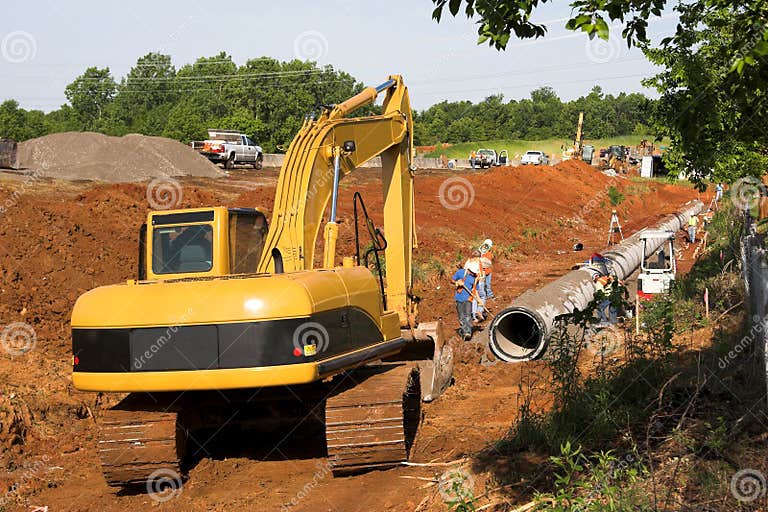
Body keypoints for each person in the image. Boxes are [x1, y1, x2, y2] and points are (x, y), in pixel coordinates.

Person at [451, 263, 476, 341]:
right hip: (459, 298)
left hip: (468, 299)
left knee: (468, 315)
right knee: (461, 316)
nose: (473, 273)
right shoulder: (460, 272)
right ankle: (464, 331)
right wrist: (457, 282)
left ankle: (468, 332)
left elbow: (476, 290)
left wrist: (479, 300)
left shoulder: (475, 278)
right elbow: (452, 280)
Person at [464, 251, 486, 323]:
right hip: (479, 281)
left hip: (469, 282)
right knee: (482, 296)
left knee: (474, 298)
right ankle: (479, 310)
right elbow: (478, 275)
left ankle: (474, 316)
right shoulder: (477, 262)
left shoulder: (468, 262)